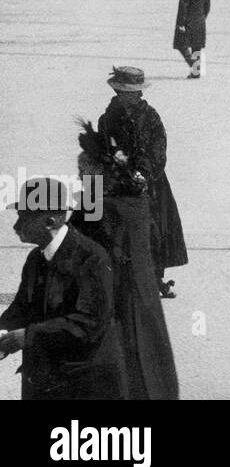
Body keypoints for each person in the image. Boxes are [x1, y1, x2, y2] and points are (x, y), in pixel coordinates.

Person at [73, 107, 180, 400]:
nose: (80, 177)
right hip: (143, 295)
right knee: (149, 355)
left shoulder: (99, 203)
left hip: (115, 296)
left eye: (82, 172)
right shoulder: (136, 202)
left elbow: (80, 238)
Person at [0, 177, 128, 400]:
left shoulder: (92, 258)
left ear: (50, 221)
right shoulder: (36, 258)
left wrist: (28, 337)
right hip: (44, 376)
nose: (16, 226)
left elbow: (90, 323)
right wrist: (3, 331)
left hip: (84, 383)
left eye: (24, 217)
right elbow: (22, 307)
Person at [95, 66, 188, 301]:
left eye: (139, 91)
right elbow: (106, 151)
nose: (138, 95)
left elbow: (159, 147)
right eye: (132, 91)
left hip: (151, 183)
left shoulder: (150, 116)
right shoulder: (107, 119)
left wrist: (144, 174)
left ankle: (155, 278)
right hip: (121, 185)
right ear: (119, 92)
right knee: (122, 233)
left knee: (156, 231)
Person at [172, 0, 210, 79]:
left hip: (188, 22)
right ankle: (195, 71)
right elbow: (207, 7)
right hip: (200, 22)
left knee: (180, 44)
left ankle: (195, 68)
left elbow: (182, 8)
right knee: (196, 47)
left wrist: (180, 24)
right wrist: (202, 18)